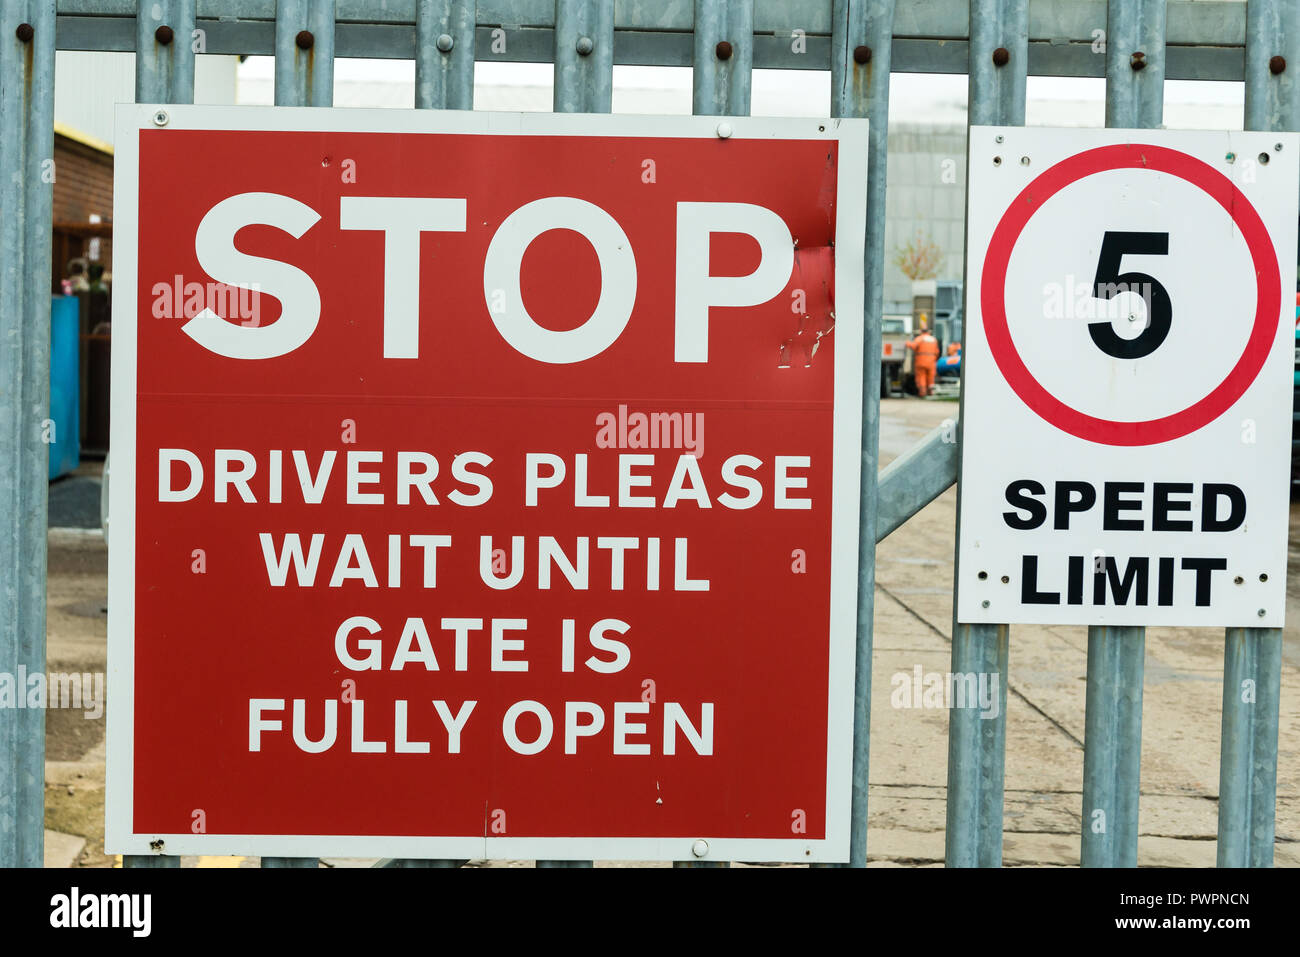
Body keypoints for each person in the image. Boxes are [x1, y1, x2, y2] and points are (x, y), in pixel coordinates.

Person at [906, 321, 941, 397]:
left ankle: (922, 393)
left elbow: (913, 346)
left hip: (921, 361)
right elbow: (937, 352)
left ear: (921, 331)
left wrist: (907, 343)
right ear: (928, 331)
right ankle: (930, 392)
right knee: (931, 377)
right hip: (931, 362)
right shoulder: (933, 339)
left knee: (921, 376)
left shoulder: (920, 338)